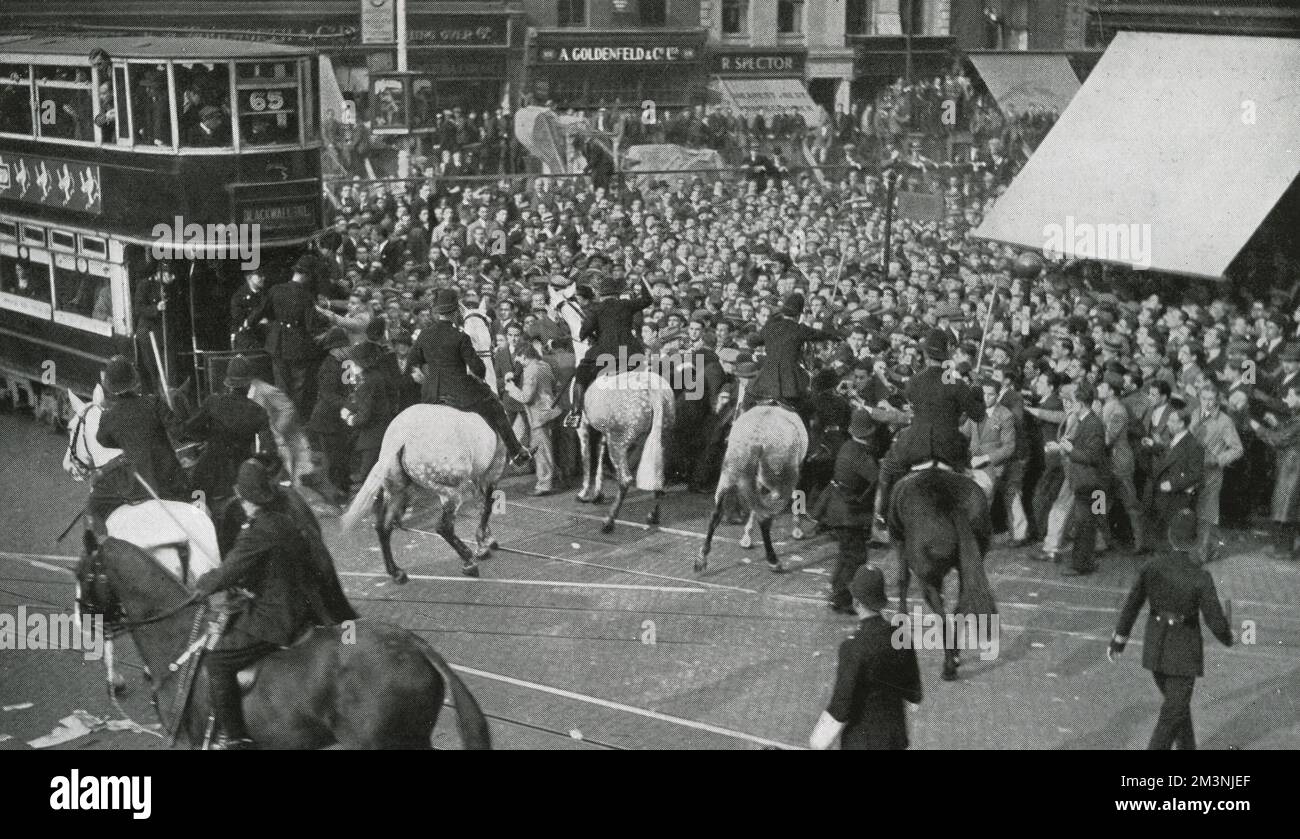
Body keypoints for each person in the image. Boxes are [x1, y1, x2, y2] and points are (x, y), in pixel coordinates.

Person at [197, 459, 320, 750]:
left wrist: (202, 584)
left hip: (277, 617)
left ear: (245, 497)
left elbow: (226, 573)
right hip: (299, 605)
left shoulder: (258, 530)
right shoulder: (284, 519)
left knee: (217, 661)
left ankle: (236, 738)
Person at [1108, 509, 1233, 750]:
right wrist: (1229, 637)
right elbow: (1215, 620)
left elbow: (1132, 605)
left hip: (1155, 649)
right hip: (1184, 654)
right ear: (1196, 540)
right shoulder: (1201, 576)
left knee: (1177, 707)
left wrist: (1118, 641)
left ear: (1170, 535)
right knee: (1174, 712)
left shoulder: (1152, 566)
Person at [874, 330, 985, 529]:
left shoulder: (916, 381)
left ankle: (882, 515)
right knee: (973, 481)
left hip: (915, 443)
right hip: (949, 445)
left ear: (925, 355)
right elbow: (978, 414)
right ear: (948, 352)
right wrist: (976, 388)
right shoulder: (954, 381)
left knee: (888, 467)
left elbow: (909, 393)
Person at [407, 289, 531, 466]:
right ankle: (517, 452)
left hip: (430, 393)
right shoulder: (460, 337)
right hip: (459, 393)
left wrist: (417, 371)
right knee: (495, 405)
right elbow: (478, 370)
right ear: (456, 311)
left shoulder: (424, 335)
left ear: (437, 312)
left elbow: (413, 362)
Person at [810, 566, 922, 750]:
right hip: (896, 738)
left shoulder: (852, 648)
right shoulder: (901, 637)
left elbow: (841, 707)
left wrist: (817, 742)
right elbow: (914, 694)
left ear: (856, 602)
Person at [94, 356, 188, 505]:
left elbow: (103, 440)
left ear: (109, 386)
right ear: (135, 379)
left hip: (136, 487)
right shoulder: (154, 402)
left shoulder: (108, 415)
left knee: (96, 497)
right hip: (170, 481)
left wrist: (128, 440)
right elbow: (179, 433)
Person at [564, 272, 653, 428]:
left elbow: (583, 333)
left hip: (604, 354)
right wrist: (642, 280)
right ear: (617, 294)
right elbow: (648, 299)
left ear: (600, 293)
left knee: (582, 373)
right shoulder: (627, 304)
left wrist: (593, 333)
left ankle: (575, 413)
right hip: (630, 353)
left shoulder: (596, 309)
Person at [812, 409, 879, 615]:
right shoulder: (861, 455)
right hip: (848, 512)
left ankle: (837, 589)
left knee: (845, 553)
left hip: (835, 506)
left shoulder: (847, 446)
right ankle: (842, 598)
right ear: (870, 433)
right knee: (856, 556)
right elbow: (877, 479)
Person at [183, 359, 274, 509]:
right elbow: (267, 451)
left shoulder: (213, 402)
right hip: (239, 470)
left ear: (228, 383)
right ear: (249, 384)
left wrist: (208, 436)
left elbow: (189, 429)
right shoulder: (258, 412)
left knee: (196, 503)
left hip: (209, 467)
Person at [249, 257, 321, 418]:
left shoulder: (276, 289)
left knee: (281, 385)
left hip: (277, 343)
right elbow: (311, 326)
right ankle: (295, 420)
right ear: (307, 276)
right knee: (298, 386)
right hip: (298, 345)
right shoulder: (306, 295)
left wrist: (255, 325)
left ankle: (282, 418)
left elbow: (257, 314)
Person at [750, 293, 838, 420]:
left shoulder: (769, 327)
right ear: (799, 315)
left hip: (766, 378)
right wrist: (834, 333)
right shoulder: (800, 329)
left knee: (748, 398)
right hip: (790, 380)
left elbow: (753, 341)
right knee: (806, 411)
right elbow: (821, 335)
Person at [1188, 381, 1243, 564]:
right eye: (1204, 399)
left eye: (1211, 399)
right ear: (1199, 398)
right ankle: (1210, 547)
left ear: (1217, 400)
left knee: (1207, 512)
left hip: (1211, 473)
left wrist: (1218, 460)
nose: (1208, 403)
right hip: (1193, 471)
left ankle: (1202, 554)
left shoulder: (1224, 421)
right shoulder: (1195, 414)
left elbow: (1237, 449)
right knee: (1195, 511)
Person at [1061, 381, 1108, 576]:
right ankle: (1086, 560)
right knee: (1087, 523)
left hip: (1090, 482)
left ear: (1080, 404)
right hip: (1086, 481)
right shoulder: (1087, 422)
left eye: (1073, 402)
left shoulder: (1093, 424)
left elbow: (1092, 456)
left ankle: (1081, 564)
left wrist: (1071, 450)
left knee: (1084, 524)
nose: (1071, 406)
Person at [504, 343, 561, 495]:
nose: (519, 363)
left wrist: (512, 389)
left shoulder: (530, 370)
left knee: (540, 450)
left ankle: (544, 485)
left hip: (538, 416)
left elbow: (526, 397)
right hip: (550, 411)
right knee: (547, 448)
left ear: (525, 356)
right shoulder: (544, 365)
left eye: (519, 359)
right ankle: (553, 478)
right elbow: (553, 386)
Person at [1148, 399, 1204, 549]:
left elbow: (1196, 474)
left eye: (1172, 421)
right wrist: (1154, 446)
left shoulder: (1193, 445)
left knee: (1170, 537)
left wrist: (1172, 484)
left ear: (1181, 424)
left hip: (1176, 497)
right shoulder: (1176, 440)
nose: (1168, 424)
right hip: (1165, 495)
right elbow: (1169, 456)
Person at [308, 327, 355, 498]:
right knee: (334, 458)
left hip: (340, 419)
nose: (349, 349)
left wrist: (354, 398)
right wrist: (348, 404)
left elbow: (350, 385)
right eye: (346, 347)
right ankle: (337, 492)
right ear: (336, 349)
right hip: (327, 420)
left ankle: (344, 485)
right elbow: (329, 395)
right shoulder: (328, 367)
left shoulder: (346, 363)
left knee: (342, 454)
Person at [343, 341, 397, 480]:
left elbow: (365, 414)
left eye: (354, 363)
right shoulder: (376, 375)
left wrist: (350, 419)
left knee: (368, 475)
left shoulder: (366, 382)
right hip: (382, 428)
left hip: (371, 434)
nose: (352, 366)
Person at [229, 271, 267, 351]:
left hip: (262, 336)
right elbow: (238, 318)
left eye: (263, 275)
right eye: (259, 275)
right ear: (249, 277)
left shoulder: (264, 295)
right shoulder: (239, 297)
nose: (263, 278)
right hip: (245, 338)